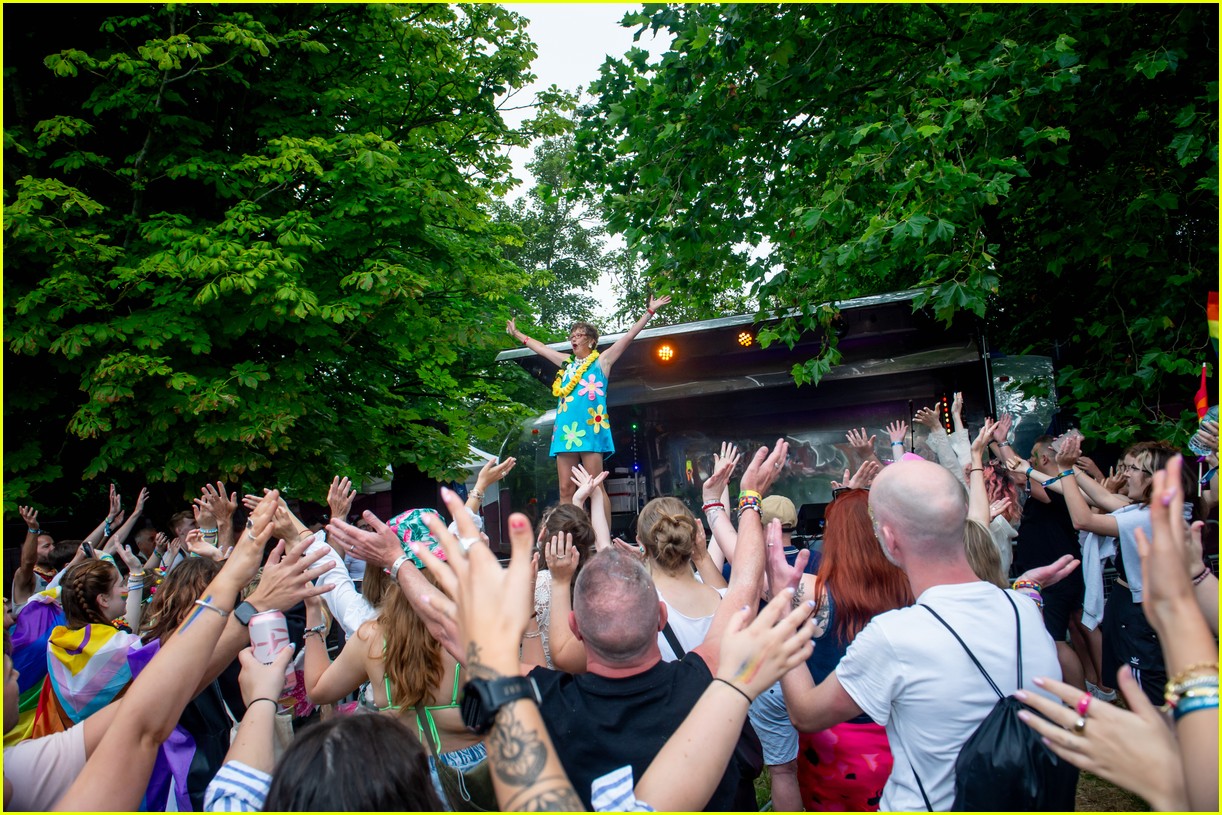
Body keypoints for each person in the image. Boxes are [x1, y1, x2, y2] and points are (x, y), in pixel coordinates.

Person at [779, 458, 1073, 811]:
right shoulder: (1025, 609)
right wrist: (1027, 587)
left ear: (889, 539)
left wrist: (784, 615)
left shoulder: (893, 636)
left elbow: (806, 714)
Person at [1017, 454, 1218, 812]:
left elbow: (1084, 518)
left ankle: (1171, 759)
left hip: (1143, 612)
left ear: (1156, 479)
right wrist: (1056, 469)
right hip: (1135, 606)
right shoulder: (1144, 509)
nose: (1125, 474)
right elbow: (1102, 496)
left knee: (1151, 692)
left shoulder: (1149, 516)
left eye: (1135, 469)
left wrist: (1064, 470)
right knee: (1149, 688)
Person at [302, 508, 493, 810]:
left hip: (401, 781)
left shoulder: (371, 637)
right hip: (475, 777)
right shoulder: (473, 630)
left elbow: (317, 690)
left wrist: (313, 615)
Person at [766, 487, 913, 811]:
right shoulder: (912, 585)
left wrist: (737, 504)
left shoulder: (814, 593)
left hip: (833, 744)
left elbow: (743, 574)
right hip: (901, 736)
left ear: (835, 538)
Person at [507, 294, 671, 514]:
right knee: (565, 489)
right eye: (572, 335)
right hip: (566, 431)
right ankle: (569, 531)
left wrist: (650, 312)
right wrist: (517, 334)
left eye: (579, 335)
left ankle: (602, 534)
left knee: (595, 488)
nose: (574, 339)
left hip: (591, 428)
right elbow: (541, 348)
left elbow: (629, 336)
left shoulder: (602, 361)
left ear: (592, 341)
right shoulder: (566, 363)